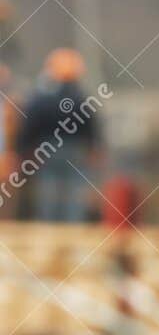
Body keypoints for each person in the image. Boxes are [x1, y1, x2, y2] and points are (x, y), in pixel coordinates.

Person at [18, 48, 100, 223]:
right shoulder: (79, 97)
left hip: (51, 149)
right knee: (70, 194)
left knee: (51, 193)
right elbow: (91, 126)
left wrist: (25, 148)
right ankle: (69, 226)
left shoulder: (43, 96)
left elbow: (30, 122)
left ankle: (53, 226)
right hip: (69, 150)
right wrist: (94, 148)